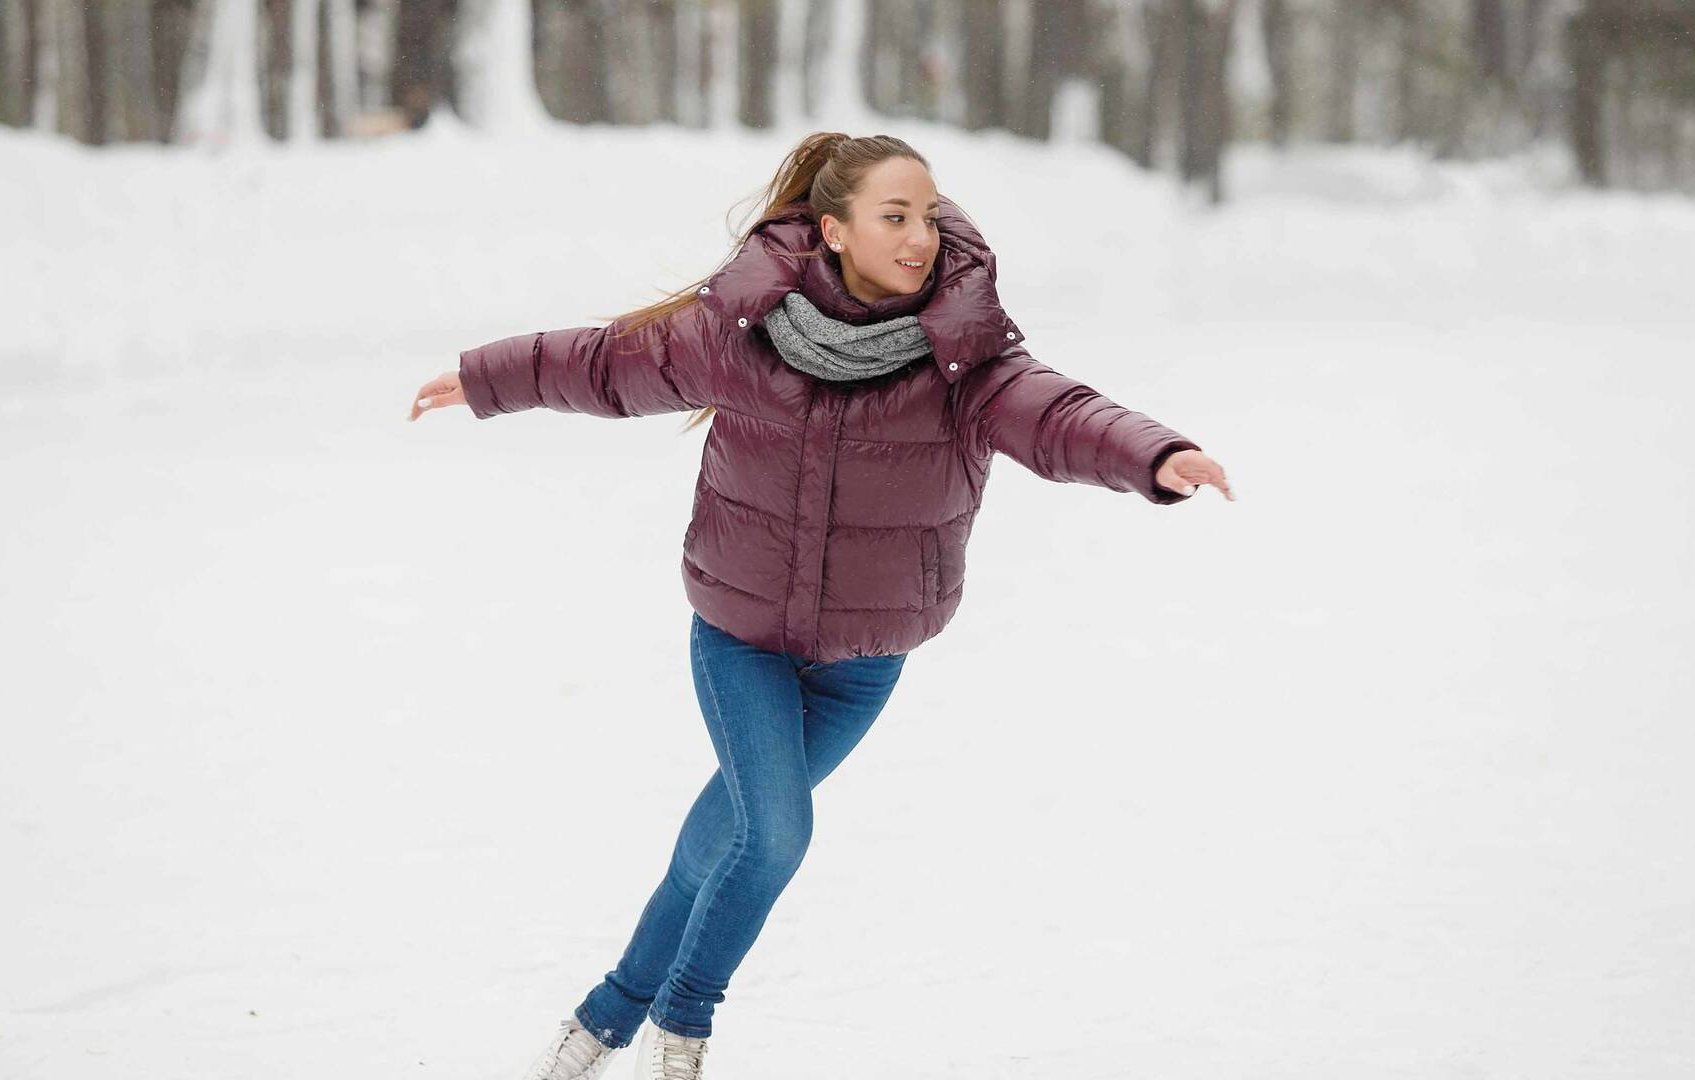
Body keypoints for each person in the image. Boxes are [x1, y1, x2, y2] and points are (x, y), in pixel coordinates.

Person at [408, 132, 1233, 1080]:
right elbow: (605, 364)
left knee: (719, 844)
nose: (920, 236)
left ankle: (600, 1024)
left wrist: (1154, 456)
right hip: (742, 638)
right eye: (894, 217)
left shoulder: (967, 359)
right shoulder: (739, 330)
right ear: (834, 230)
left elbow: (1058, 415)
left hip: (862, 666)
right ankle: (680, 1032)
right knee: (773, 833)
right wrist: (484, 379)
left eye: (929, 215)